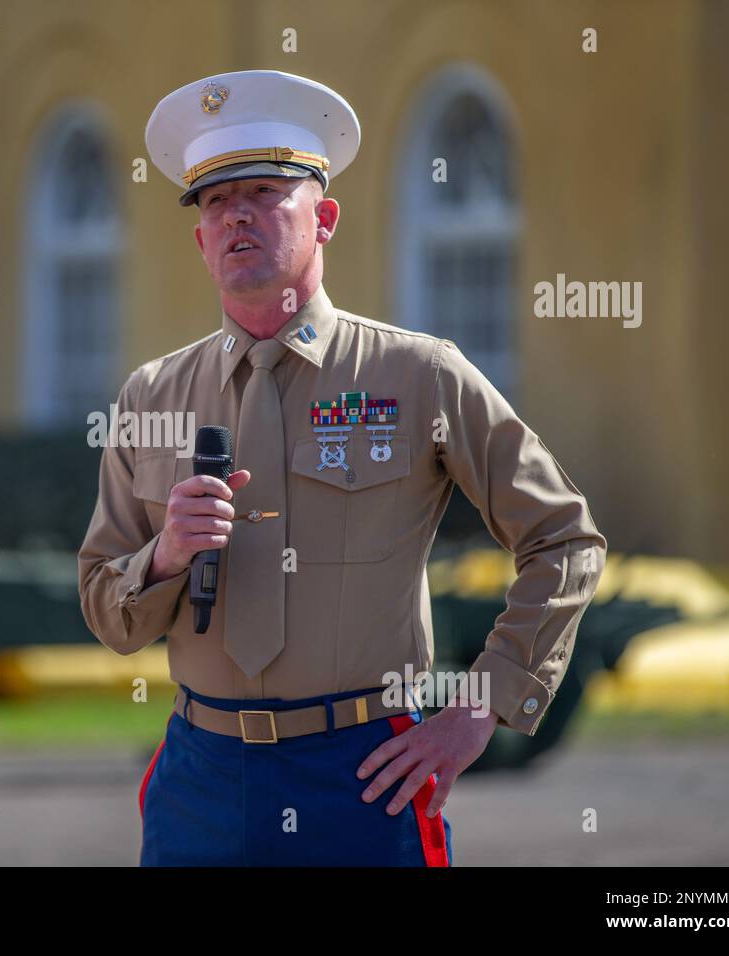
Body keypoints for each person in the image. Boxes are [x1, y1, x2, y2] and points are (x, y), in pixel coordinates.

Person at [77, 69, 607, 866]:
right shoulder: (153, 394)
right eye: (217, 203)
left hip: (364, 778)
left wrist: (482, 704)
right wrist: (165, 556)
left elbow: (564, 536)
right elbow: (104, 608)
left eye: (262, 191)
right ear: (199, 238)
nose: (237, 216)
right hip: (202, 780)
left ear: (323, 218)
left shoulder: (419, 374)